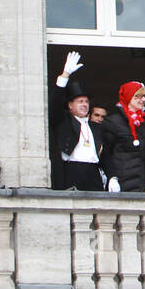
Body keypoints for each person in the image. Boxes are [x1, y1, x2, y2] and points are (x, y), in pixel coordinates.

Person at [50, 51, 106, 191]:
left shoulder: (95, 126)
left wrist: (112, 177)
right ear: (70, 105)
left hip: (93, 172)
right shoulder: (64, 122)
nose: (84, 104)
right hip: (73, 171)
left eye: (86, 101)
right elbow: (54, 105)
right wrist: (65, 76)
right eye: (80, 101)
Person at [101, 80, 145, 192]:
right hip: (121, 181)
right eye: (138, 96)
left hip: (142, 182)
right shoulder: (112, 122)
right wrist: (112, 177)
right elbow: (106, 153)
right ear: (128, 97)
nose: (143, 99)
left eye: (144, 96)